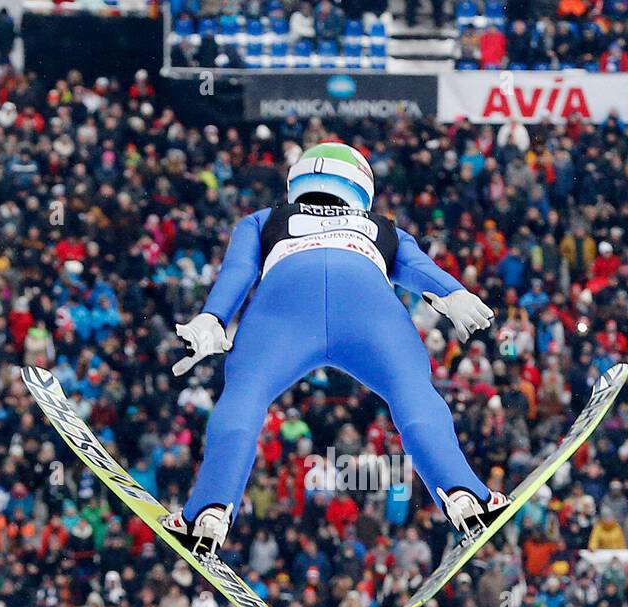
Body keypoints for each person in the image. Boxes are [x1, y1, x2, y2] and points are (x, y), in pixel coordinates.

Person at [163, 142, 509, 555]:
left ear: (298, 180)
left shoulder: (264, 219)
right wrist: (453, 292)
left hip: (285, 308)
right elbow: (420, 271)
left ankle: (209, 510)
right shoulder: (383, 227)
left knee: (245, 397)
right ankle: (464, 493)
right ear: (362, 186)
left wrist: (214, 318)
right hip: (369, 307)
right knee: (413, 394)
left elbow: (238, 271)